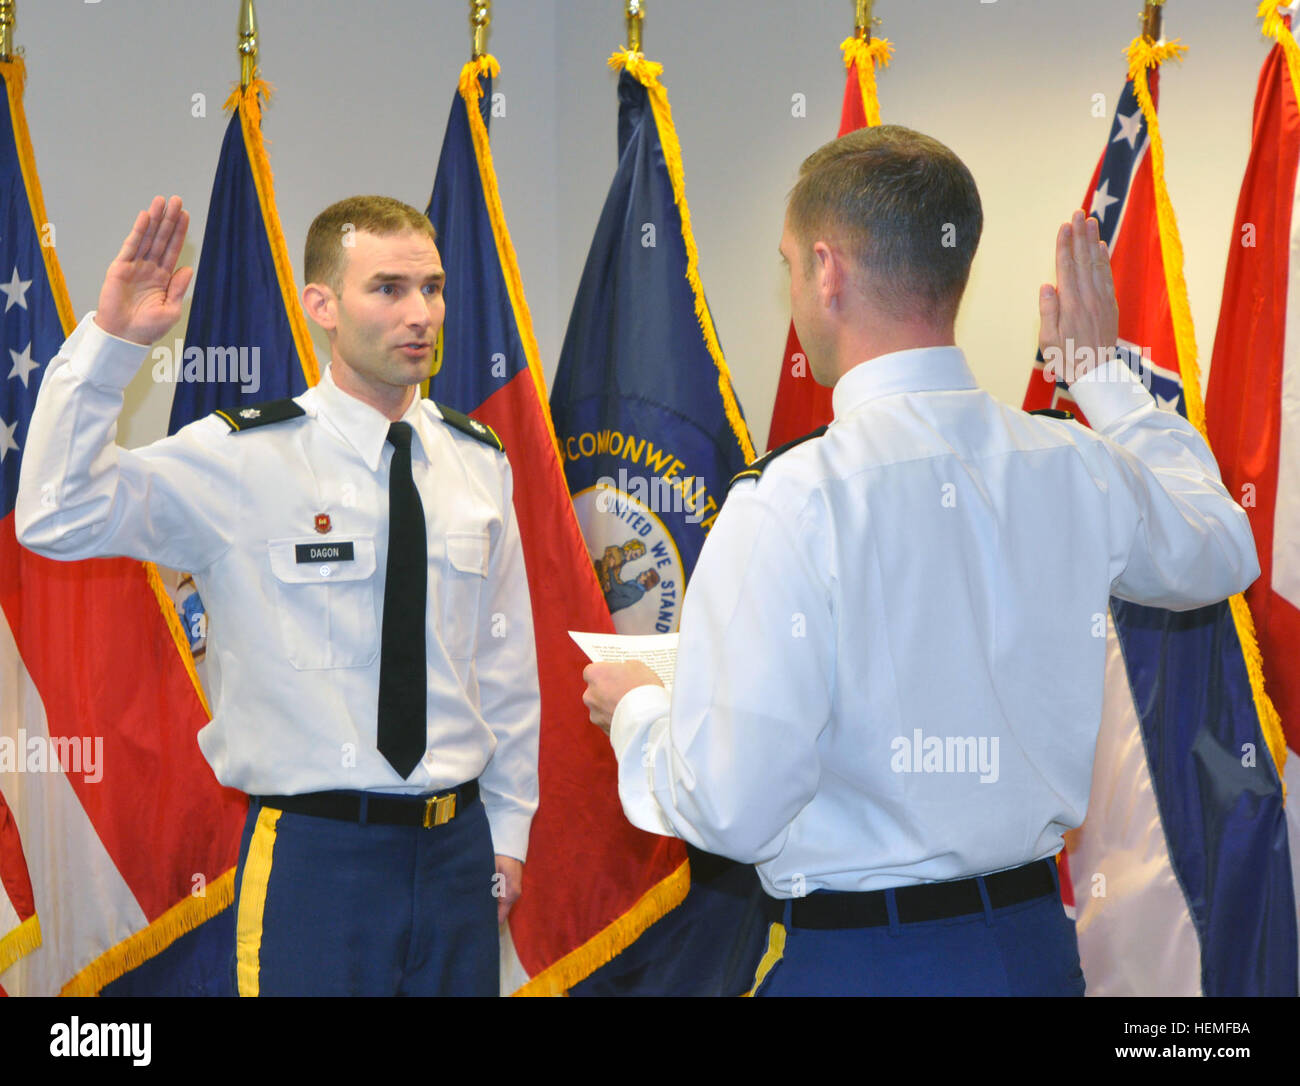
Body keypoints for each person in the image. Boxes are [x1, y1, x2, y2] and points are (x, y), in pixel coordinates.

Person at [581, 126, 1260, 996]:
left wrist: (640, 709)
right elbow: (1221, 545)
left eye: (789, 265)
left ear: (828, 271)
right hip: (1031, 953)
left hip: (866, 964)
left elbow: (735, 808)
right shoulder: (1072, 463)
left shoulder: (792, 499)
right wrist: (1101, 378)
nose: (792, 291)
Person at [16, 194, 540, 996]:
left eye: (432, 289)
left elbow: (503, 666)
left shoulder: (477, 460)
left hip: (456, 854)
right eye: (389, 289)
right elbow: (55, 513)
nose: (421, 314)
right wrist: (111, 345)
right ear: (320, 305)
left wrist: (507, 832)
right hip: (316, 854)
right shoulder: (245, 458)